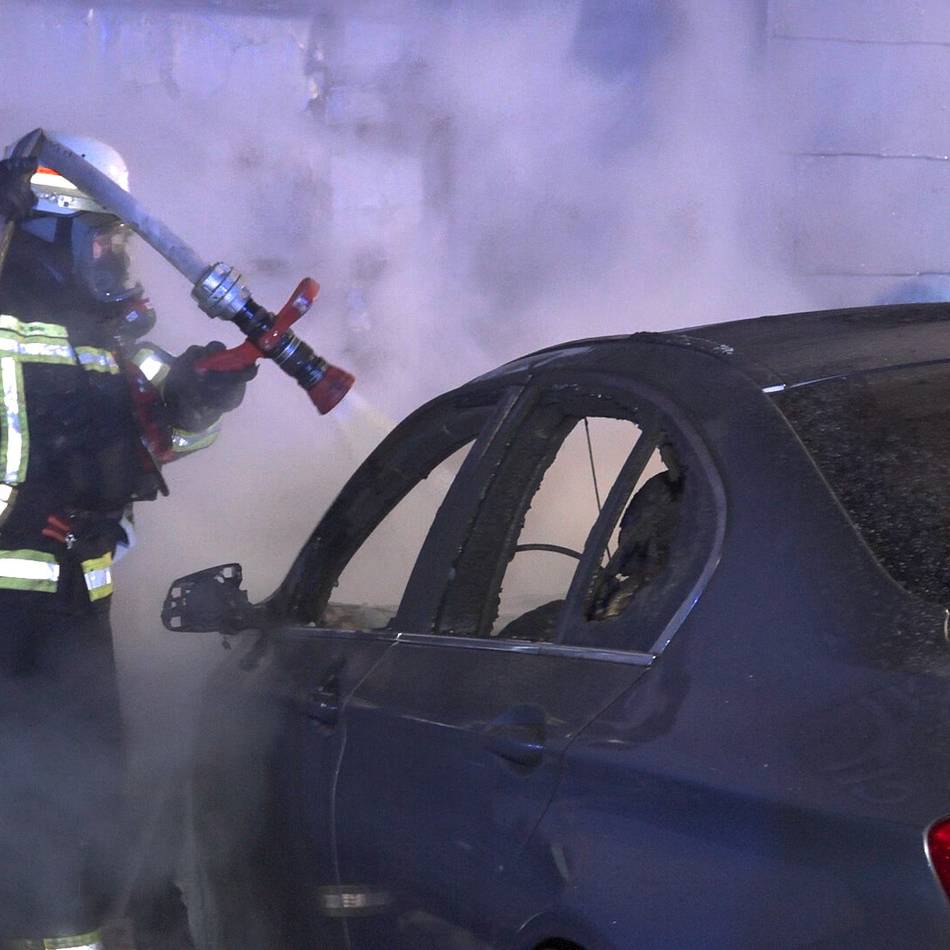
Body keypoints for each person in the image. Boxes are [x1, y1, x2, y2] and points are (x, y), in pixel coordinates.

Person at [0, 135, 255, 949]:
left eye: (120, 243)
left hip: (75, 617)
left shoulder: (105, 344)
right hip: (6, 619)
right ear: (50, 233)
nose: (114, 260)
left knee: (75, 812)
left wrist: (203, 394)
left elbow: (162, 432)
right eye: (102, 241)